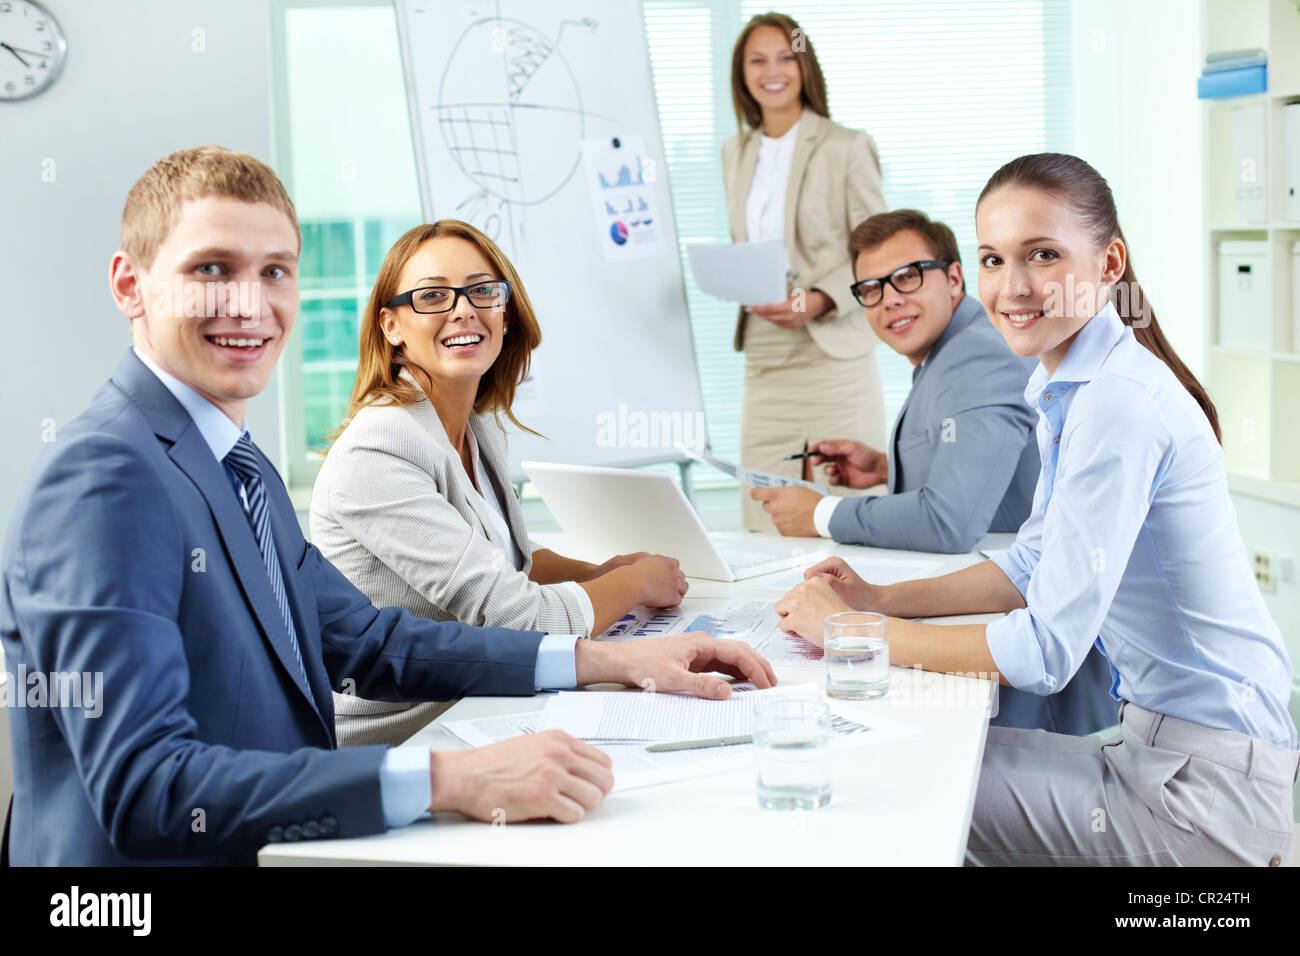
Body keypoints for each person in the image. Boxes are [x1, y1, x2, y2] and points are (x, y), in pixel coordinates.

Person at [0, 146, 776, 866]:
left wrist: (609, 659)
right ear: (130, 286)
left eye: (275, 271)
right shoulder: (104, 477)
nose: (250, 302)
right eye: (212, 268)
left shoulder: (239, 465)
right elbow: (146, 787)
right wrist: (447, 779)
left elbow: (370, 642)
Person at [774, 153, 1297, 866]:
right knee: (924, 756)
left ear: (1109, 263)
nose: (1011, 287)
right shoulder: (1075, 384)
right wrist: (880, 598)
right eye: (993, 258)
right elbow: (1032, 559)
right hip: (1165, 756)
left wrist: (855, 630)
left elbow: (1046, 651)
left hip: (1206, 801)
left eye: (1042, 255)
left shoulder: (1116, 402)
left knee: (896, 784)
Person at [312, 220, 689, 747]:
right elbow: (521, 623)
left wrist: (602, 571)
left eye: (481, 290)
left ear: (505, 314)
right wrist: (634, 585)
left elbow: (508, 556)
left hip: (486, 704)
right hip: (413, 736)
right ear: (390, 326)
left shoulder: (477, 422)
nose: (463, 309)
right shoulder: (378, 450)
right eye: (433, 295)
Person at [754, 209, 1115, 735]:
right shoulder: (949, 349)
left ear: (953, 278)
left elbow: (951, 521)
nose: (890, 298)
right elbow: (986, 461)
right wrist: (882, 465)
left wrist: (821, 513)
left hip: (1042, 682)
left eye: (907, 276)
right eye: (872, 288)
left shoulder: (979, 353)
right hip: (1000, 610)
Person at [722, 11, 888, 532]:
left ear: (804, 66)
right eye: (757, 60)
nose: (772, 71)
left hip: (831, 349)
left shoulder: (846, 146)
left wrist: (817, 298)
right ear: (742, 74)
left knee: (839, 506)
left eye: (785, 57)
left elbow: (877, 249)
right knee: (762, 506)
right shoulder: (736, 151)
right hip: (767, 350)